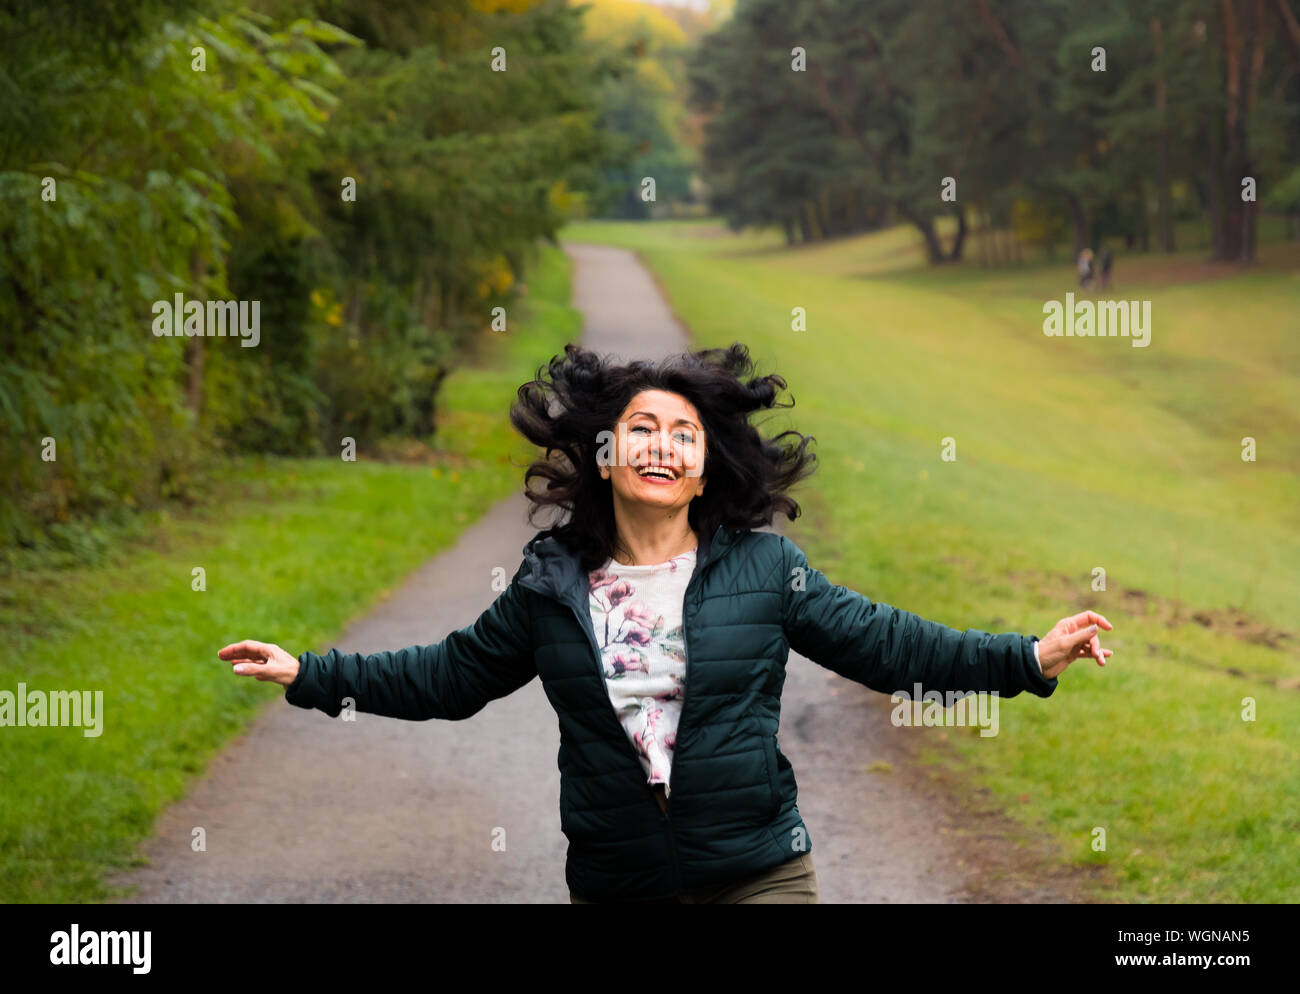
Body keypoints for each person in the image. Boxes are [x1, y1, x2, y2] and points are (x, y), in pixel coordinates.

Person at [219, 343, 1115, 904]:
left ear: (702, 471)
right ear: (606, 457)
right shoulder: (549, 587)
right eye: (640, 429)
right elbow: (449, 679)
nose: (660, 445)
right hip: (620, 879)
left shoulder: (766, 571)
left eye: (681, 436)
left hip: (757, 870)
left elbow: (889, 647)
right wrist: (311, 674)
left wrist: (1026, 657)